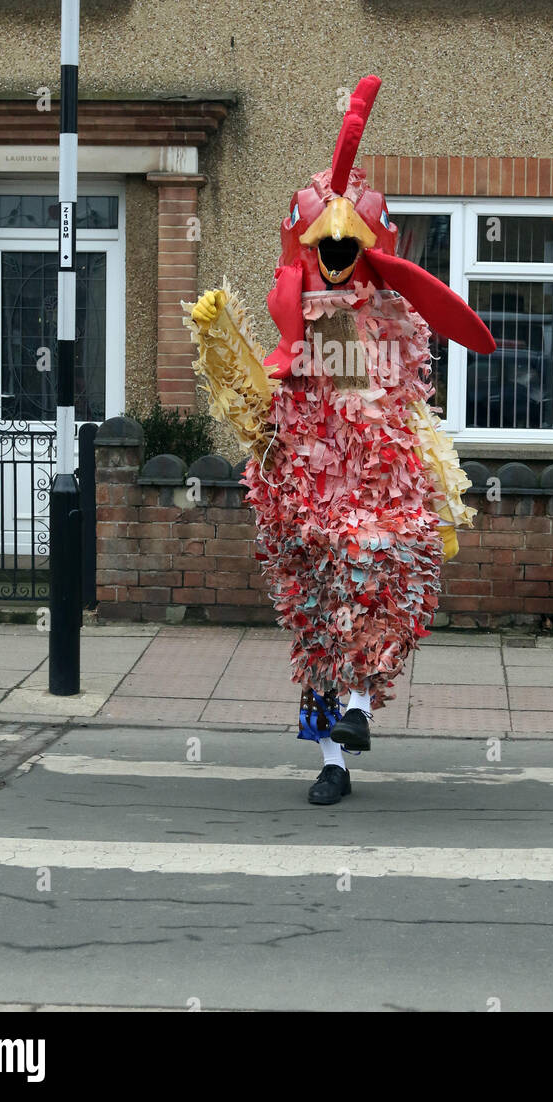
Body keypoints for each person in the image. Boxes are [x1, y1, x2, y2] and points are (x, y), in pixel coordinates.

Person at [184, 77, 494, 804]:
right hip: (304, 498)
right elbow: (296, 404)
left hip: (373, 491)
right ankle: (334, 757)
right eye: (322, 241)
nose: (334, 255)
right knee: (322, 622)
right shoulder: (312, 321)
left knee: (391, 573)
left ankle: (356, 708)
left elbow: (369, 404)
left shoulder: (377, 320)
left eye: (347, 243)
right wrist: (248, 384)